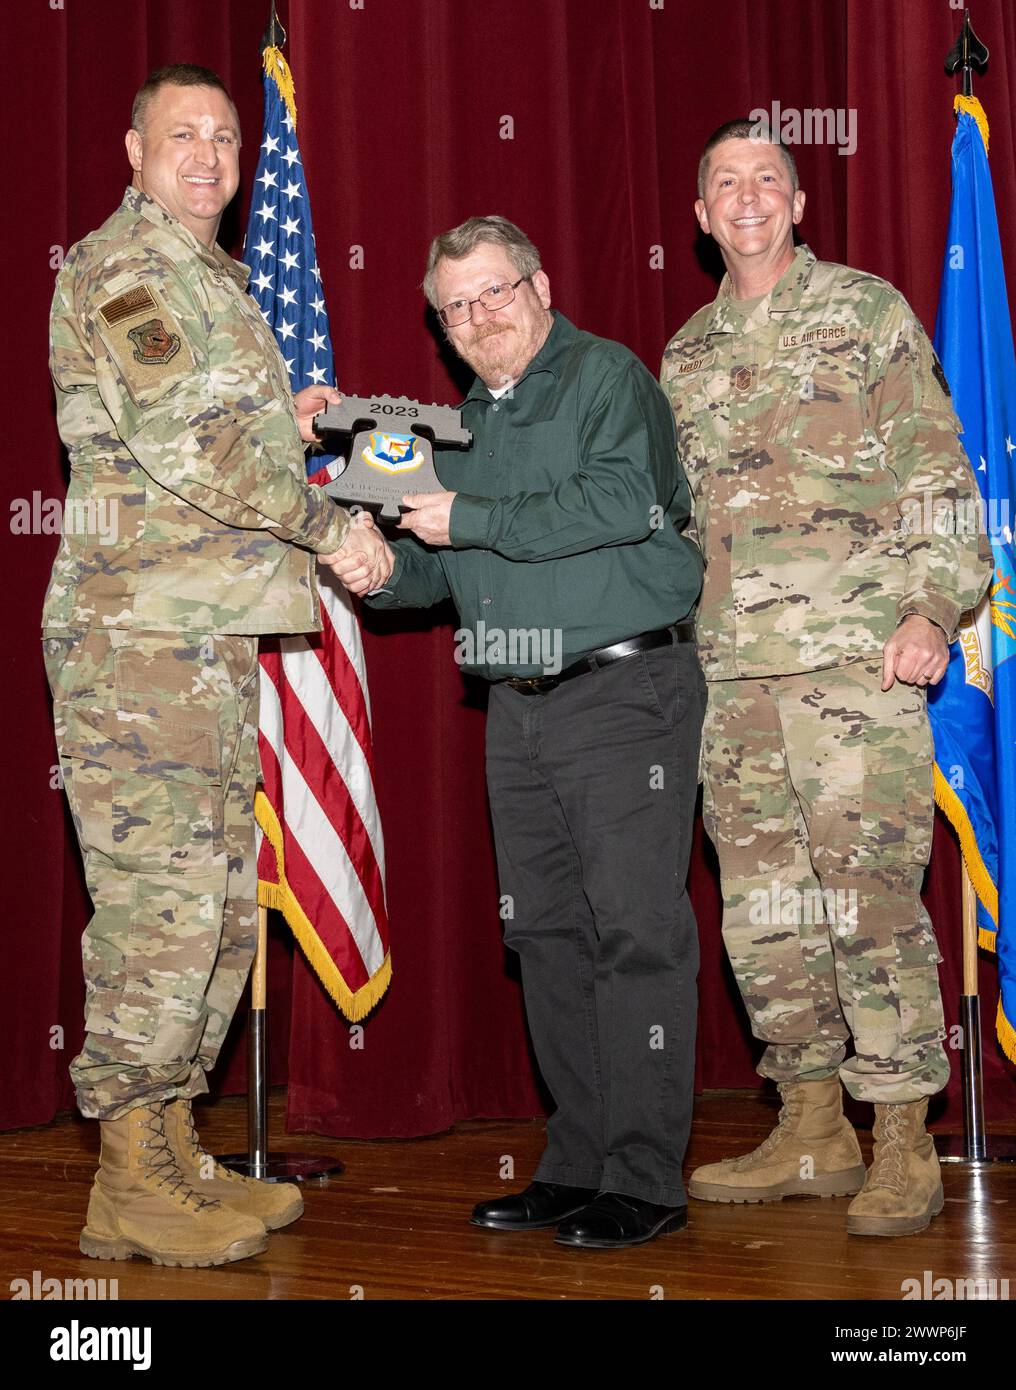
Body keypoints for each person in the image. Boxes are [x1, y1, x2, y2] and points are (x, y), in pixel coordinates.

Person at [44, 63, 387, 1268]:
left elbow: (216, 427)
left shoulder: (221, 285)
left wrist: (286, 418)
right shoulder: (122, 269)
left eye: (225, 138)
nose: (208, 155)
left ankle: (177, 1146)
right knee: (156, 915)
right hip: (138, 639)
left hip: (205, 636)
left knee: (213, 914)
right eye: (180, 135)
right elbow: (188, 443)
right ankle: (126, 1180)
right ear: (131, 151)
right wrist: (331, 524)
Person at [331, 215, 704, 1249]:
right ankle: (577, 1160)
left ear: (539, 284)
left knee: (634, 932)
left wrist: (467, 516)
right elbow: (438, 576)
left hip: (622, 689)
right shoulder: (457, 426)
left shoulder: (604, 376)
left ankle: (644, 1176)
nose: (478, 317)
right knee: (542, 936)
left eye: (494, 291)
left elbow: (619, 498)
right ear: (441, 326)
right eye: (456, 307)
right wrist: (375, 568)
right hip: (515, 704)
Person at [660, 119, 993, 1236]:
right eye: (723, 185)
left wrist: (928, 606)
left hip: (856, 664)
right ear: (700, 217)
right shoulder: (685, 355)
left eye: (767, 179)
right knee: (761, 913)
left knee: (868, 901)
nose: (746, 198)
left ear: (797, 204)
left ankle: (900, 1134)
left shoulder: (863, 311)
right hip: (732, 680)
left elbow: (937, 468)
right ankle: (808, 1120)